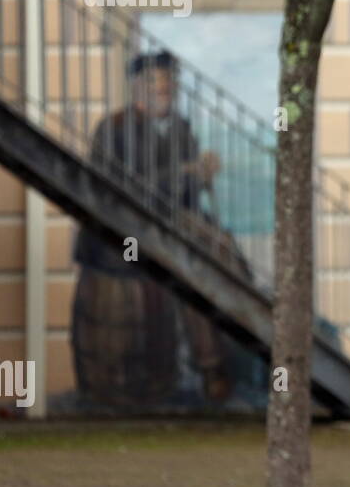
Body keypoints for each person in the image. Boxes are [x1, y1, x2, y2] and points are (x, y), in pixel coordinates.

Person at [70, 51, 231, 408]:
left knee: (218, 247)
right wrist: (181, 174)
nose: (166, 89)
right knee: (197, 266)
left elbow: (185, 198)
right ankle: (211, 366)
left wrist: (200, 177)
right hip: (122, 234)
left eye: (169, 82)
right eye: (157, 82)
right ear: (138, 87)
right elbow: (115, 190)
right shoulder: (113, 130)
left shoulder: (181, 128)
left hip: (167, 229)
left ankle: (218, 357)